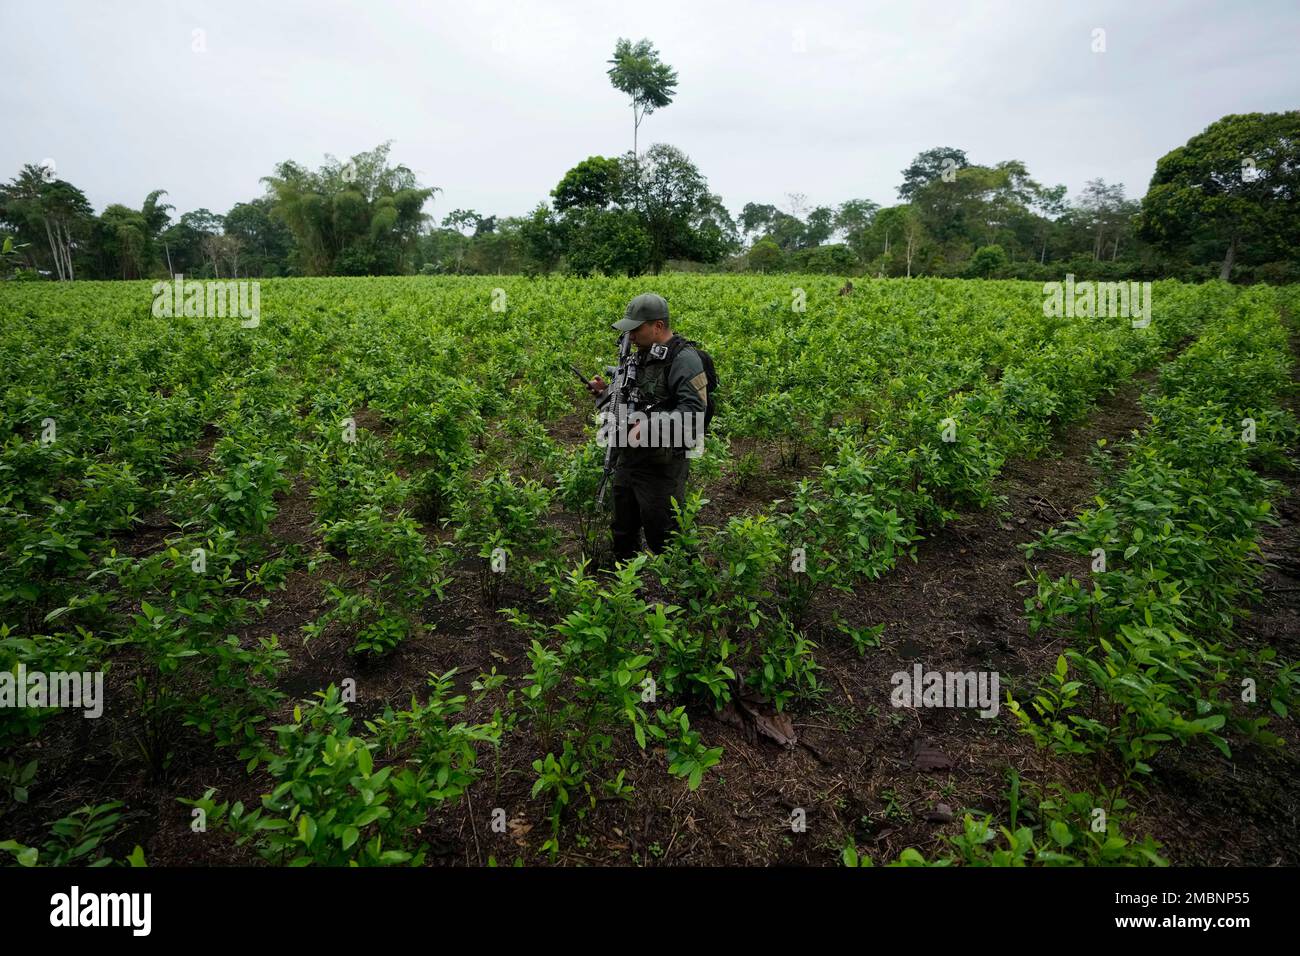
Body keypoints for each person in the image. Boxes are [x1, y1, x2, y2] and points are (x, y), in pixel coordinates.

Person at [587, 292, 708, 562]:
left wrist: (649, 427)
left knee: (665, 536)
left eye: (636, 329)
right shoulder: (640, 355)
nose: (630, 336)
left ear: (658, 326)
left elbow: (693, 413)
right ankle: (627, 593)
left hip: (661, 465)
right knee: (623, 531)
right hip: (628, 457)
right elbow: (635, 398)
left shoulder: (684, 359)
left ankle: (688, 592)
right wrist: (605, 394)